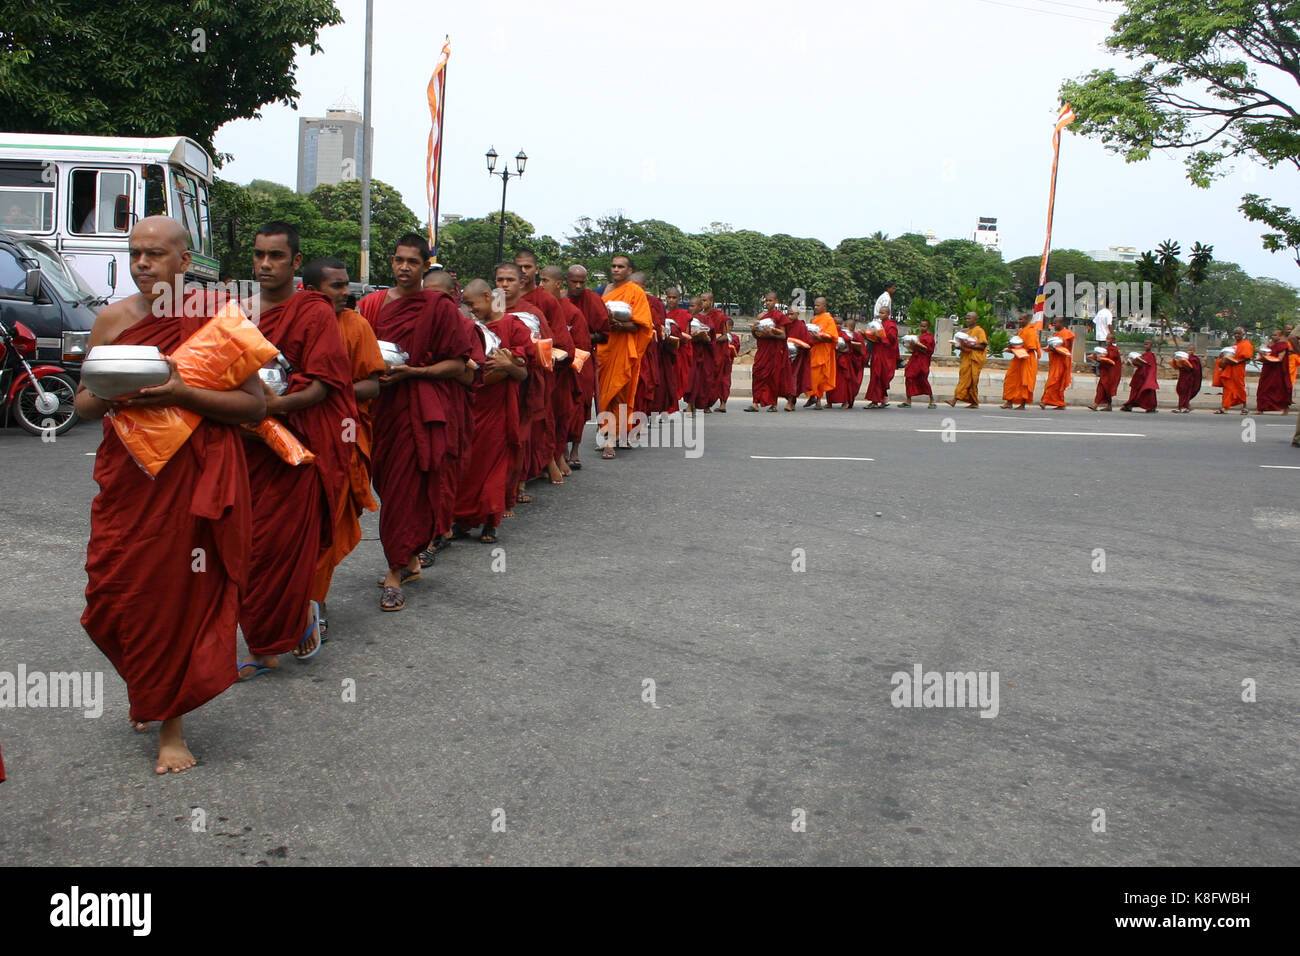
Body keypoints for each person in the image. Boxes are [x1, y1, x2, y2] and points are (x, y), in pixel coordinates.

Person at [76, 217, 265, 773]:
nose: (142, 264)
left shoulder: (218, 319)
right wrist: (112, 397)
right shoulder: (113, 320)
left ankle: (171, 725)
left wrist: (183, 392)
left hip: (193, 478)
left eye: (155, 254)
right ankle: (150, 685)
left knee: (175, 598)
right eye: (135, 254)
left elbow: (254, 407)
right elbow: (83, 404)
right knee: (110, 598)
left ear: (185, 261)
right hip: (131, 479)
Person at [238, 222, 356, 672]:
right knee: (247, 545)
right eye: (259, 255)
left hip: (296, 447)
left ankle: (271, 640)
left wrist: (278, 404)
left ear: (293, 261)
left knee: (280, 544)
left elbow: (326, 383)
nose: (265, 264)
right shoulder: (240, 311)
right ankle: (273, 629)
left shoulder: (313, 311)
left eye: (276, 256)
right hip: (247, 443)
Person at [368, 233, 474, 612]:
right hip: (381, 411)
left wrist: (414, 373)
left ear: (426, 266)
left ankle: (395, 571)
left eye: (413, 262)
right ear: (391, 261)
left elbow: (460, 364)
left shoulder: (439, 308)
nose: (404, 268)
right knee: (387, 484)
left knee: (407, 489)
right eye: (399, 260)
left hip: (421, 407)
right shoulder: (372, 305)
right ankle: (410, 559)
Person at [302, 257, 385, 637]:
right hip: (293, 436)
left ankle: (314, 602)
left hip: (344, 435)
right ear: (312, 290)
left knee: (328, 524)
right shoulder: (291, 320)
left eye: (346, 284)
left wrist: (329, 393)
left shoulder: (355, 325)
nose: (346, 292)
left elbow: (372, 384)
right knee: (289, 528)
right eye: (336, 286)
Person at [453, 279, 530, 542]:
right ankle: (463, 519)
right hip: (471, 404)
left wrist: (508, 366)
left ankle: (490, 522)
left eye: (473, 304)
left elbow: (522, 372)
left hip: (496, 408)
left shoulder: (513, 326)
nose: (471, 310)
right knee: (468, 464)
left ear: (487, 297)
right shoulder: (471, 329)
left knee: (494, 465)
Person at [597, 254, 653, 457]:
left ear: (629, 271)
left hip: (623, 351)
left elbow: (642, 325)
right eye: (613, 266)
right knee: (603, 394)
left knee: (618, 393)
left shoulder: (635, 292)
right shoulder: (604, 291)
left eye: (620, 266)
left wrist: (620, 325)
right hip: (604, 350)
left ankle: (611, 440)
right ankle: (607, 433)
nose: (616, 270)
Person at [746, 291, 791, 412]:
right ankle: (755, 403)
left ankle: (773, 404)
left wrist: (770, 333)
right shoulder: (761, 317)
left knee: (773, 377)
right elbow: (757, 336)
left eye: (770, 300)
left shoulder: (780, 316)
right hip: (763, 351)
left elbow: (783, 335)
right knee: (758, 373)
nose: (768, 303)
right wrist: (754, 330)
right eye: (766, 301)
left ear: (776, 301)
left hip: (774, 352)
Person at [944, 312, 988, 408]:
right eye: (967, 318)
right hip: (966, 358)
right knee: (966, 379)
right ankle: (974, 402)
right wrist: (959, 346)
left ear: (975, 320)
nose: (968, 320)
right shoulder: (964, 332)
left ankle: (954, 400)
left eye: (970, 318)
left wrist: (968, 345)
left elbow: (983, 346)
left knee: (970, 381)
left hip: (975, 359)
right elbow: (961, 345)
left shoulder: (979, 331)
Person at [1000, 312, 1043, 409]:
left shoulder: (1030, 331)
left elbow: (1031, 348)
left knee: (1025, 382)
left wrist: (1019, 350)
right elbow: (1018, 344)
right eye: (1019, 319)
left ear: (1027, 320)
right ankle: (1009, 401)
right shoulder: (1022, 331)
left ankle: (1022, 404)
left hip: (1027, 359)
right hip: (1018, 359)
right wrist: (1012, 348)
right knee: (1011, 378)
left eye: (1021, 319)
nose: (1019, 321)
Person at [863, 304, 899, 408]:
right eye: (880, 312)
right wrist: (866, 335)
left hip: (886, 355)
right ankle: (878, 400)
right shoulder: (879, 324)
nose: (881, 315)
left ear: (888, 314)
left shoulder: (891, 325)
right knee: (875, 376)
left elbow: (892, 340)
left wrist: (879, 336)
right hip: (877, 353)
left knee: (881, 377)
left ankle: (877, 400)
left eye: (883, 313)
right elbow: (874, 339)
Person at [805, 297, 838, 409]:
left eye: (818, 305)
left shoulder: (829, 319)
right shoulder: (814, 319)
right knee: (811, 376)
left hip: (824, 350)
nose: (816, 307)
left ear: (824, 306)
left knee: (820, 377)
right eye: (815, 305)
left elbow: (832, 337)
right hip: (814, 350)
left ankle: (818, 399)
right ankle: (812, 397)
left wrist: (820, 338)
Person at [665, 287, 694, 410]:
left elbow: (687, 335)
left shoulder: (684, 314)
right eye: (669, 297)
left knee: (676, 381)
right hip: (666, 351)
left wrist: (677, 335)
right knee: (667, 382)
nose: (671, 300)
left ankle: (672, 408)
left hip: (680, 351)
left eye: (674, 298)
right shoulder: (662, 313)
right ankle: (668, 408)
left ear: (679, 299)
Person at [1214, 327, 1254, 414]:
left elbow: (1247, 358)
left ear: (1243, 334)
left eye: (1239, 333)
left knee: (1240, 387)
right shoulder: (1233, 345)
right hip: (1229, 368)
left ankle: (1244, 407)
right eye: (1235, 333)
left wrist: (1237, 362)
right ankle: (1224, 407)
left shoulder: (1246, 344)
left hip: (1238, 369)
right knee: (1227, 388)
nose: (1237, 335)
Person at [1037, 317, 1075, 410]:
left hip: (1062, 362)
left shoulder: (1068, 334)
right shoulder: (1055, 335)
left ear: (1061, 323)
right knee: (1057, 382)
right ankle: (1060, 403)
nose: (1054, 325)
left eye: (1055, 323)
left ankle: (1044, 401)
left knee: (1053, 381)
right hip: (1054, 362)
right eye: (1053, 323)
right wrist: (1050, 349)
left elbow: (1068, 350)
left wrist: (1057, 350)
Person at [900, 318, 937, 408]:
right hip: (914, 360)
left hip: (922, 362)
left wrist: (917, 344)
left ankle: (932, 399)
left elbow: (927, 351)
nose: (922, 328)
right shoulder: (919, 337)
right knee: (908, 377)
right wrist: (909, 345)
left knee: (923, 380)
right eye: (921, 326)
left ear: (927, 327)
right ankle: (908, 400)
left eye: (924, 326)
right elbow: (913, 350)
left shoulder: (929, 338)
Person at [1255, 328, 1293, 413]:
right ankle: (1261, 409)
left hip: (1277, 371)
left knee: (1279, 390)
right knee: (1263, 388)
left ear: (1280, 336)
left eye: (1275, 335)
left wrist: (1268, 358)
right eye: (1272, 335)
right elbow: (1265, 354)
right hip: (1267, 370)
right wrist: (1260, 353)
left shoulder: (1282, 345)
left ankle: (1285, 409)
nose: (1273, 337)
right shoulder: (1269, 345)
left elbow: (1280, 359)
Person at [1165, 328, 1201, 413]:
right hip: (1182, 377)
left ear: (1194, 351)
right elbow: (1177, 367)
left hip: (1189, 378)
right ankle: (1184, 406)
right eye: (1188, 350)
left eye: (1191, 350)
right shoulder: (1184, 357)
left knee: (1186, 392)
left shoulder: (1195, 359)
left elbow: (1195, 369)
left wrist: (1187, 364)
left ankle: (1183, 407)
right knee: (1180, 390)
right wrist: (1177, 362)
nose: (1189, 352)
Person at [1086, 333, 1123, 411]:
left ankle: (1096, 405)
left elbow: (1111, 359)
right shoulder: (1106, 349)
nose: (1107, 341)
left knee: (1105, 388)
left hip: (1111, 373)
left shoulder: (1114, 349)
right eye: (1107, 339)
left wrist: (1102, 358)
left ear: (1113, 340)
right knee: (1103, 388)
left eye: (1109, 339)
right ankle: (1107, 406)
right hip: (1106, 372)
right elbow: (1104, 359)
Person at [1120, 339, 1158, 412]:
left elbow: (1150, 367)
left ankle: (1151, 407)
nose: (1146, 345)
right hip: (1139, 375)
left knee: (1147, 391)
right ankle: (1129, 405)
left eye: (1147, 344)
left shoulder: (1151, 355)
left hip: (1146, 376)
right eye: (1145, 344)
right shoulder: (1143, 355)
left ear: (1151, 345)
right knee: (1134, 391)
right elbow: (1140, 364)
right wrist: (1131, 362)